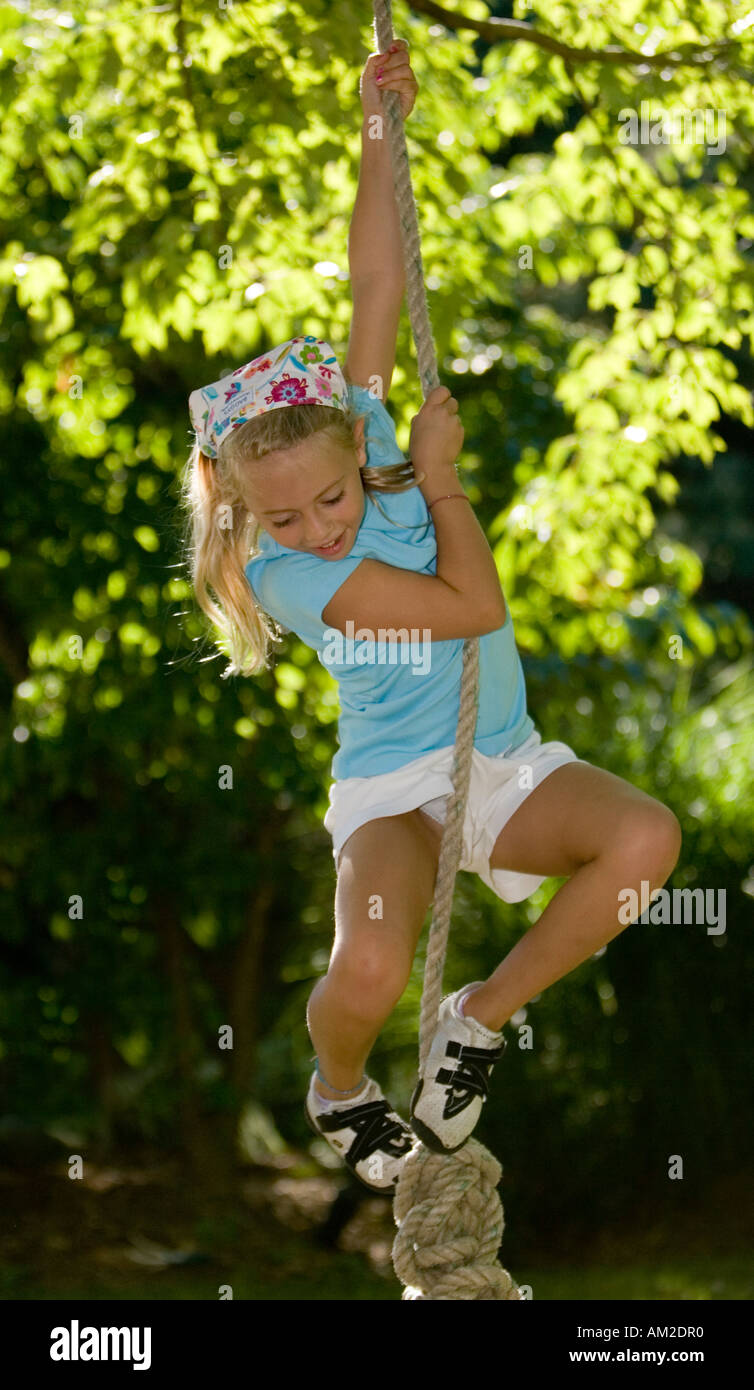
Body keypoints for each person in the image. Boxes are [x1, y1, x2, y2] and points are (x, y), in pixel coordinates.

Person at [182, 41, 682, 1194]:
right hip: (393, 786)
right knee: (364, 968)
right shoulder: (289, 577)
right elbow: (470, 607)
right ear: (243, 513)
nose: (315, 523)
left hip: (499, 764)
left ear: (358, 440)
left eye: (330, 497)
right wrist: (442, 481)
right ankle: (337, 1086)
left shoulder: (359, 423)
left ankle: (478, 1016)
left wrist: (375, 127)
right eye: (284, 515)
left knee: (646, 841)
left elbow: (374, 285)